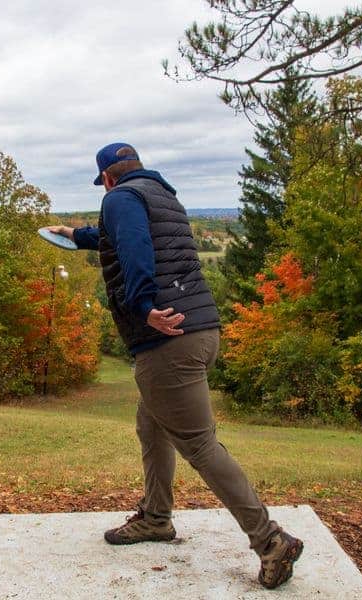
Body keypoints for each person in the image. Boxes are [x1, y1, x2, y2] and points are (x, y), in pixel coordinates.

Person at [47, 142, 303, 589]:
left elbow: (133, 249)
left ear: (108, 178)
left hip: (166, 340)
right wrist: (74, 234)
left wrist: (143, 305)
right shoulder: (160, 195)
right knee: (152, 425)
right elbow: (114, 235)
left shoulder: (120, 198)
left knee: (200, 446)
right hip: (202, 332)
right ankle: (156, 517)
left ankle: (269, 540)